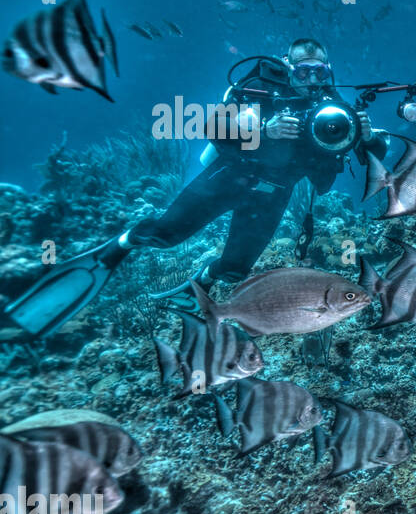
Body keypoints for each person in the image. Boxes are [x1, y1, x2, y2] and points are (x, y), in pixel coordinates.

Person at [4, 38, 387, 337]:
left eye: (320, 72)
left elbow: (334, 174)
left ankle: (200, 282)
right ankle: (122, 243)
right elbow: (212, 129)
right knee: (166, 235)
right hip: (227, 178)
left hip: (272, 194)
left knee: (235, 271)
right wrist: (260, 131)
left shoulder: (335, 111)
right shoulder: (255, 87)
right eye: (303, 72)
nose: (312, 81)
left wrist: (365, 138)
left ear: (328, 71)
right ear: (288, 68)